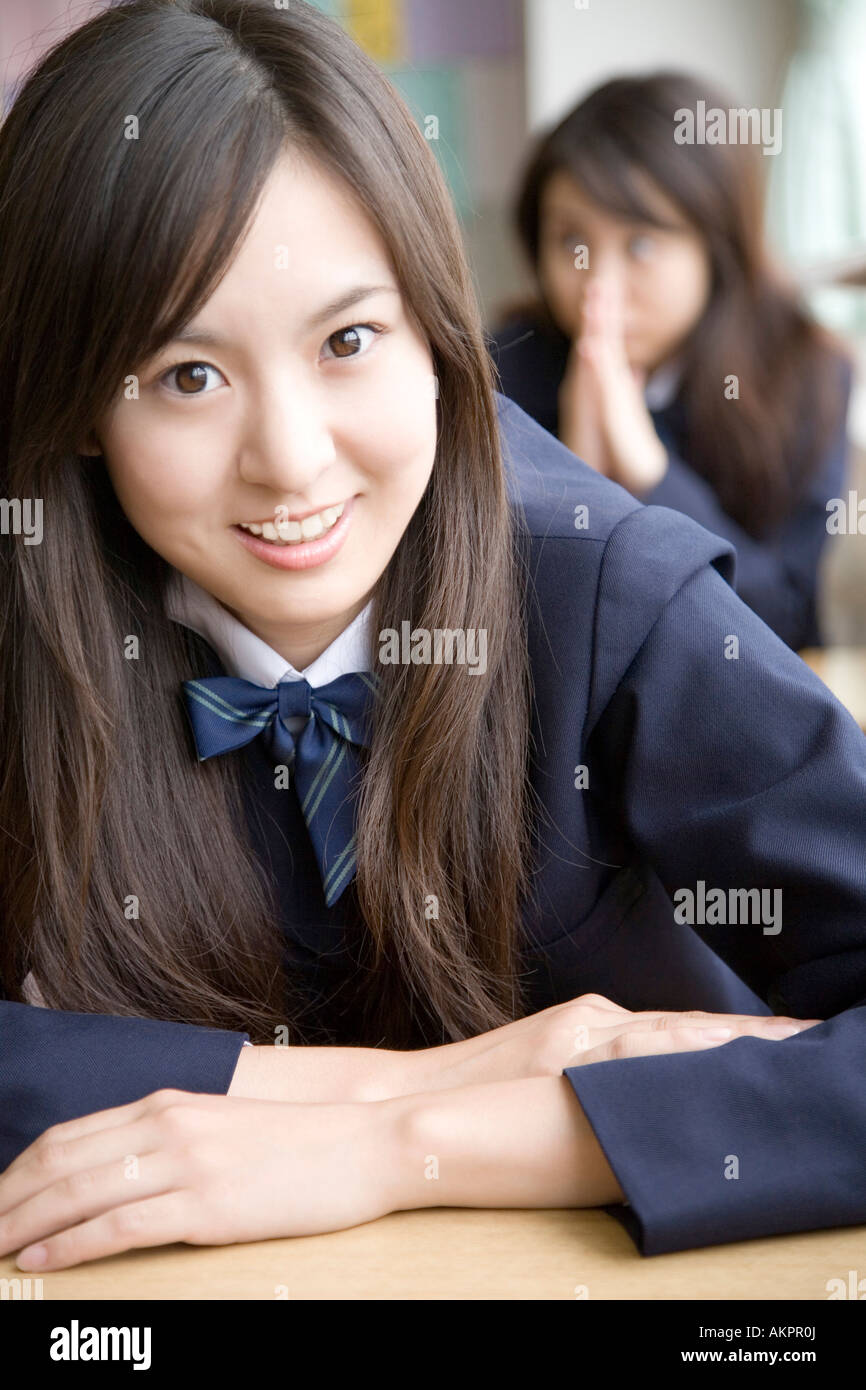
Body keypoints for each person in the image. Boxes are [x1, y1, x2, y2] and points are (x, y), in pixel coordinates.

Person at [0, 0, 864, 1273]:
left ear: (436, 339)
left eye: (349, 340)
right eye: (189, 375)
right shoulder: (31, 608)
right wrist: (400, 1082)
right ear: (78, 405)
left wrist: (401, 1148)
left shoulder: (602, 589)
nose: (289, 460)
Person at [488, 72, 853, 652]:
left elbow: (785, 619)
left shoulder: (806, 373)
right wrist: (576, 480)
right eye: (571, 242)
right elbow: (490, 612)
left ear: (716, 245)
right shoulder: (508, 366)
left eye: (641, 245)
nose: (598, 286)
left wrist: (648, 471)